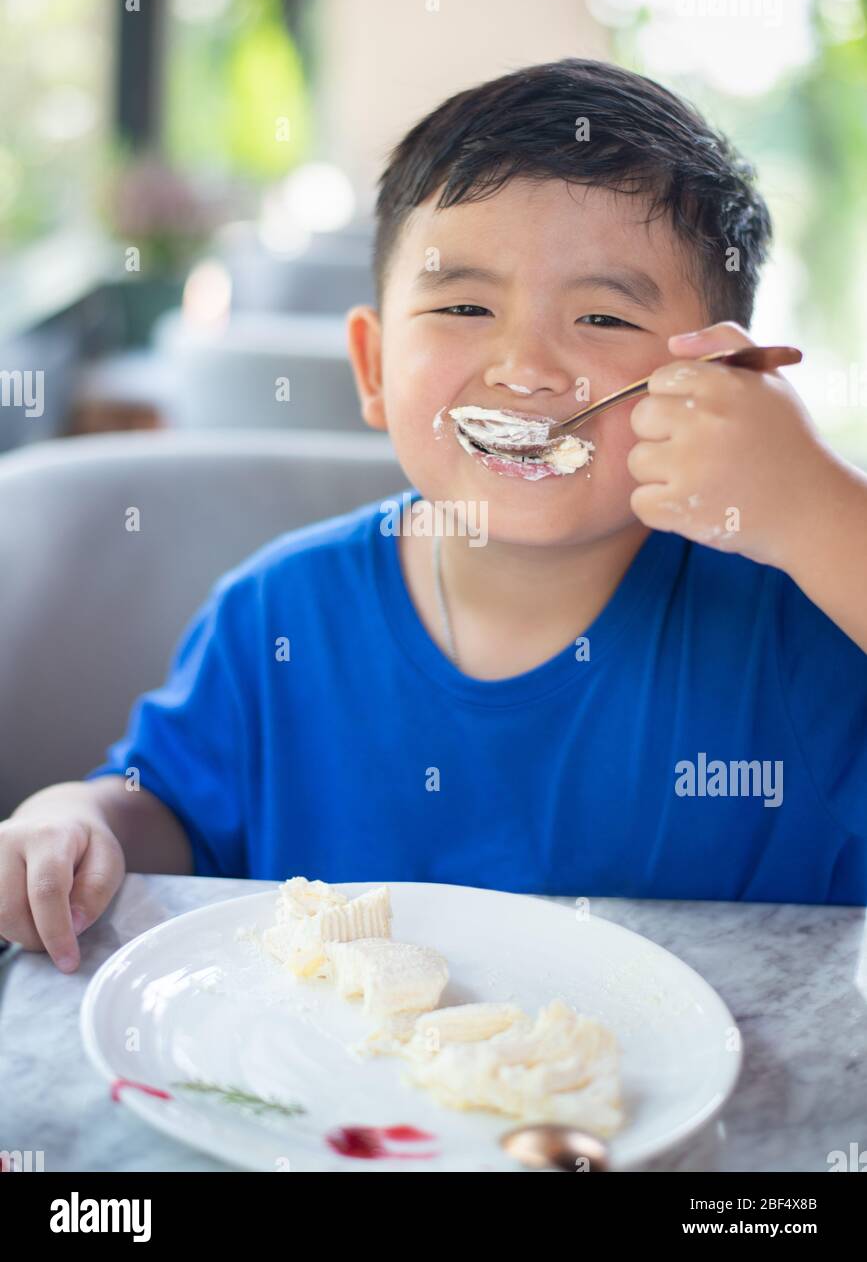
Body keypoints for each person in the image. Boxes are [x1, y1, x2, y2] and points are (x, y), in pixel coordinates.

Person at [3, 58, 866, 975]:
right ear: (372, 368)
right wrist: (76, 821)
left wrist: (813, 505)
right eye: (463, 305)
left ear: (719, 375)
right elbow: (170, 817)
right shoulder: (278, 617)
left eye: (604, 319)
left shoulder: (799, 613)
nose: (527, 368)